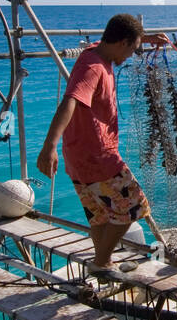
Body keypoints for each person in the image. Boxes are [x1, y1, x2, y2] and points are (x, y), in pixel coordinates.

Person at [37, 13, 170, 269]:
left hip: (77, 159)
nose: (131, 55)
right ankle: (100, 262)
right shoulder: (93, 67)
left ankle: (104, 263)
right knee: (134, 206)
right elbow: (70, 101)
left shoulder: (96, 50)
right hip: (98, 157)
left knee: (100, 217)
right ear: (123, 43)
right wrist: (48, 146)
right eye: (132, 49)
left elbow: (120, 43)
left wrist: (145, 38)